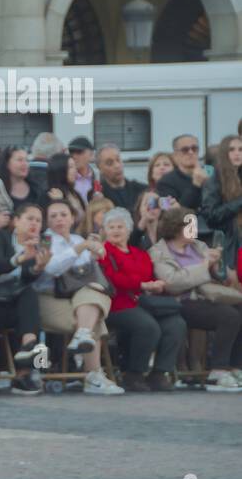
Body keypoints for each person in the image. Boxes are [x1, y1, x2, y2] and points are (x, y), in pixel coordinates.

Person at [35, 199, 124, 394]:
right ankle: (93, 375)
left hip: (78, 295)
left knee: (92, 290)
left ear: (73, 217)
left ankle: (84, 341)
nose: (59, 219)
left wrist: (94, 252)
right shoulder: (45, 240)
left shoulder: (76, 238)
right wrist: (82, 247)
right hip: (51, 296)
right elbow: (52, 269)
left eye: (63, 214)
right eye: (53, 216)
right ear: (47, 221)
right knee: (94, 317)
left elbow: (85, 272)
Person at [149, 206, 242, 390]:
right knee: (228, 316)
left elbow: (220, 277)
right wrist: (205, 266)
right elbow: (172, 282)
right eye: (190, 227)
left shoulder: (199, 246)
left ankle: (236, 366)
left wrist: (217, 267)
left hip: (208, 297)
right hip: (181, 301)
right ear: (176, 228)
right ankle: (219, 370)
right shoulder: (158, 252)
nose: (195, 230)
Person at [97, 207, 184, 392]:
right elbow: (112, 278)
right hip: (117, 304)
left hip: (144, 302)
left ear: (128, 230)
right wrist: (143, 285)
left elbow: (149, 275)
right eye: (110, 227)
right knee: (147, 326)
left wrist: (154, 284)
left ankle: (159, 373)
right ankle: (133, 374)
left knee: (175, 324)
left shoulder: (140, 253)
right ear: (104, 231)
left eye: (120, 226)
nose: (115, 230)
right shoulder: (104, 252)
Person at [0, 203, 49, 395]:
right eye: (29, 218)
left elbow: (25, 279)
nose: (34, 224)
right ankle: (27, 356)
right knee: (29, 297)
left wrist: (38, 268)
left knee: (29, 294)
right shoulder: (0, 238)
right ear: (16, 221)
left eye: (38, 220)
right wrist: (19, 259)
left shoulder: (35, 246)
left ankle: (26, 356)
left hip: (13, 303)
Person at [201, 133, 242, 281]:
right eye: (232, 149)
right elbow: (212, 216)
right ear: (224, 154)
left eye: (240, 149)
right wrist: (239, 202)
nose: (237, 153)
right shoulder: (215, 180)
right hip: (229, 243)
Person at [95, 144, 146, 217]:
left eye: (118, 160)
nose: (117, 166)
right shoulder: (99, 195)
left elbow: (163, 203)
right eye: (110, 163)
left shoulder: (141, 189)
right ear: (100, 169)